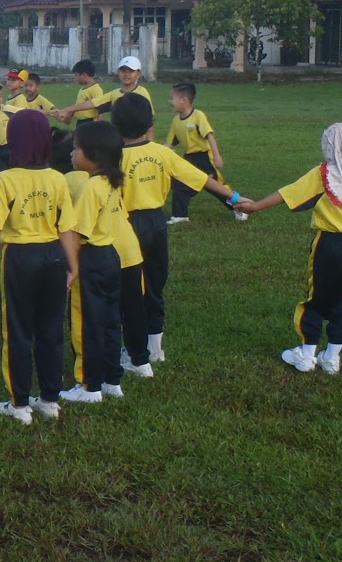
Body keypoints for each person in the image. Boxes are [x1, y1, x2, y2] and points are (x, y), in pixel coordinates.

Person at [234, 123, 342, 375]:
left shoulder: (322, 175)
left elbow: (288, 193)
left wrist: (255, 206)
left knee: (317, 298)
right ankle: (332, 358)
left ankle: (306, 354)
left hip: (328, 246)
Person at [112, 94, 240, 367]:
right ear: (150, 122)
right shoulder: (162, 153)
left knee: (131, 290)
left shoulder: (114, 159)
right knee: (155, 286)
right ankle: (155, 349)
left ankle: (132, 350)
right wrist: (236, 199)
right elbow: (202, 179)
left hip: (126, 227)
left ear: (116, 125)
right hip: (157, 224)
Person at [0, 110, 77, 424]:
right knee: (51, 329)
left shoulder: (3, 180)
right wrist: (73, 266)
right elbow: (66, 228)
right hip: (53, 258)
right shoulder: (57, 178)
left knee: (17, 330)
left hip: (19, 258)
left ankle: (19, 405)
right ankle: (49, 399)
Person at [60, 122, 129, 404]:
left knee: (85, 321)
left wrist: (70, 269)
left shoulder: (90, 188)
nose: (72, 154)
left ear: (95, 155)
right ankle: (112, 379)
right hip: (111, 256)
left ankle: (89, 386)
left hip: (90, 259)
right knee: (111, 320)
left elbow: (77, 233)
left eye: (77, 148)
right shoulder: (112, 181)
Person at [167, 82, 241, 223]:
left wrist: (217, 156)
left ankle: (240, 207)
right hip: (188, 158)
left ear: (184, 100)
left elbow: (209, 135)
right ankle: (180, 215)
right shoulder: (175, 121)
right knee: (180, 184)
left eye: (172, 98)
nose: (170, 102)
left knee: (217, 188)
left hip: (204, 157)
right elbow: (169, 143)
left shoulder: (198, 116)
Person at [58, 55, 151, 123]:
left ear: (138, 74)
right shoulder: (114, 94)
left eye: (131, 71)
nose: (126, 74)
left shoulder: (142, 92)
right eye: (123, 71)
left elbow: (150, 121)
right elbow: (93, 103)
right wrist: (68, 109)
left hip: (139, 140)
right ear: (118, 72)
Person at [68, 59, 105, 125]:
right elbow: (78, 105)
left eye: (76, 75)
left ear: (84, 75)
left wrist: (99, 126)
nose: (76, 78)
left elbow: (100, 109)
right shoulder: (82, 89)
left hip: (90, 123)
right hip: (80, 122)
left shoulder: (96, 89)